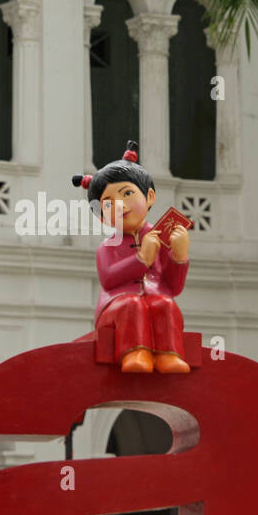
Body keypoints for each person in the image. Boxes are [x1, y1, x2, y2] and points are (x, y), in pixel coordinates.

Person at [71, 141, 191, 374]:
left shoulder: (161, 236)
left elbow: (173, 286)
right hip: (116, 309)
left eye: (127, 194)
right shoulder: (107, 247)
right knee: (131, 304)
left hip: (156, 300)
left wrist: (179, 255)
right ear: (101, 216)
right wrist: (142, 259)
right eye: (108, 203)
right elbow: (108, 279)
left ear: (150, 197)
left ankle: (168, 353)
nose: (120, 205)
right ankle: (135, 351)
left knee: (165, 303)